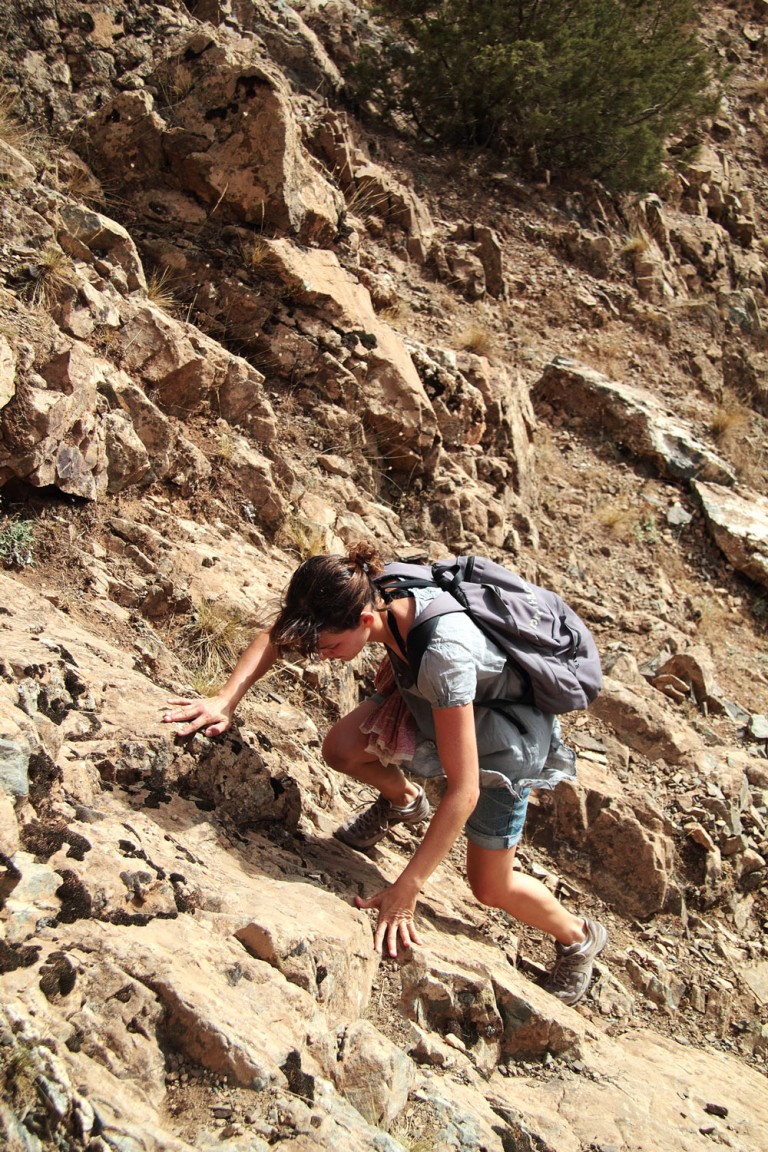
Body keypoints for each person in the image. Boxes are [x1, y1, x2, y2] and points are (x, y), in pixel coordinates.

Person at [163, 542, 608, 1006]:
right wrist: (224, 700)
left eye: (331, 647)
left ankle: (578, 937)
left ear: (365, 622)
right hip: (431, 699)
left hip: (502, 743)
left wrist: (405, 889)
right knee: (342, 749)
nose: (322, 657)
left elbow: (464, 790)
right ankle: (403, 802)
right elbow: (277, 636)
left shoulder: (443, 655)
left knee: (490, 886)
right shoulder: (365, 587)